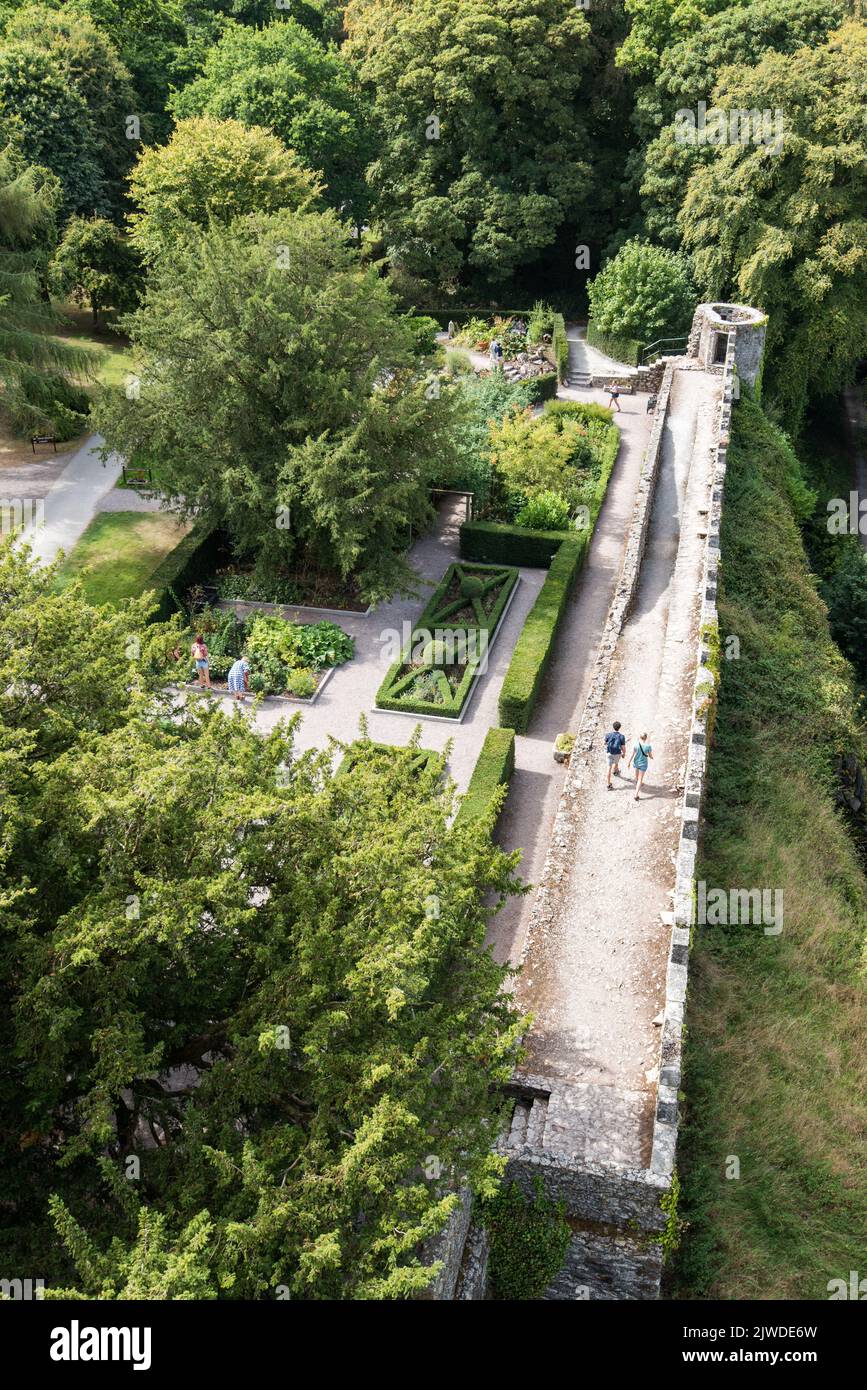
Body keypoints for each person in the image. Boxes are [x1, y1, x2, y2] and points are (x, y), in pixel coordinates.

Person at [628, 732, 653, 800]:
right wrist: (651, 757)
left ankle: (638, 783)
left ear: (640, 737)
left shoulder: (636, 745)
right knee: (640, 779)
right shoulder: (648, 746)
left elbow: (632, 754)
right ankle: (636, 795)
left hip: (636, 762)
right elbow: (650, 756)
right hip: (643, 764)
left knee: (637, 777)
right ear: (646, 738)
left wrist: (629, 762)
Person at [604, 720, 627, 788]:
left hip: (609, 753)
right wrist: (624, 753)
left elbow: (604, 743)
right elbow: (623, 747)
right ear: (619, 728)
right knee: (616, 762)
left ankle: (608, 784)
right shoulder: (621, 736)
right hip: (617, 753)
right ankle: (615, 771)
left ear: (613, 727)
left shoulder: (608, 735)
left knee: (608, 768)